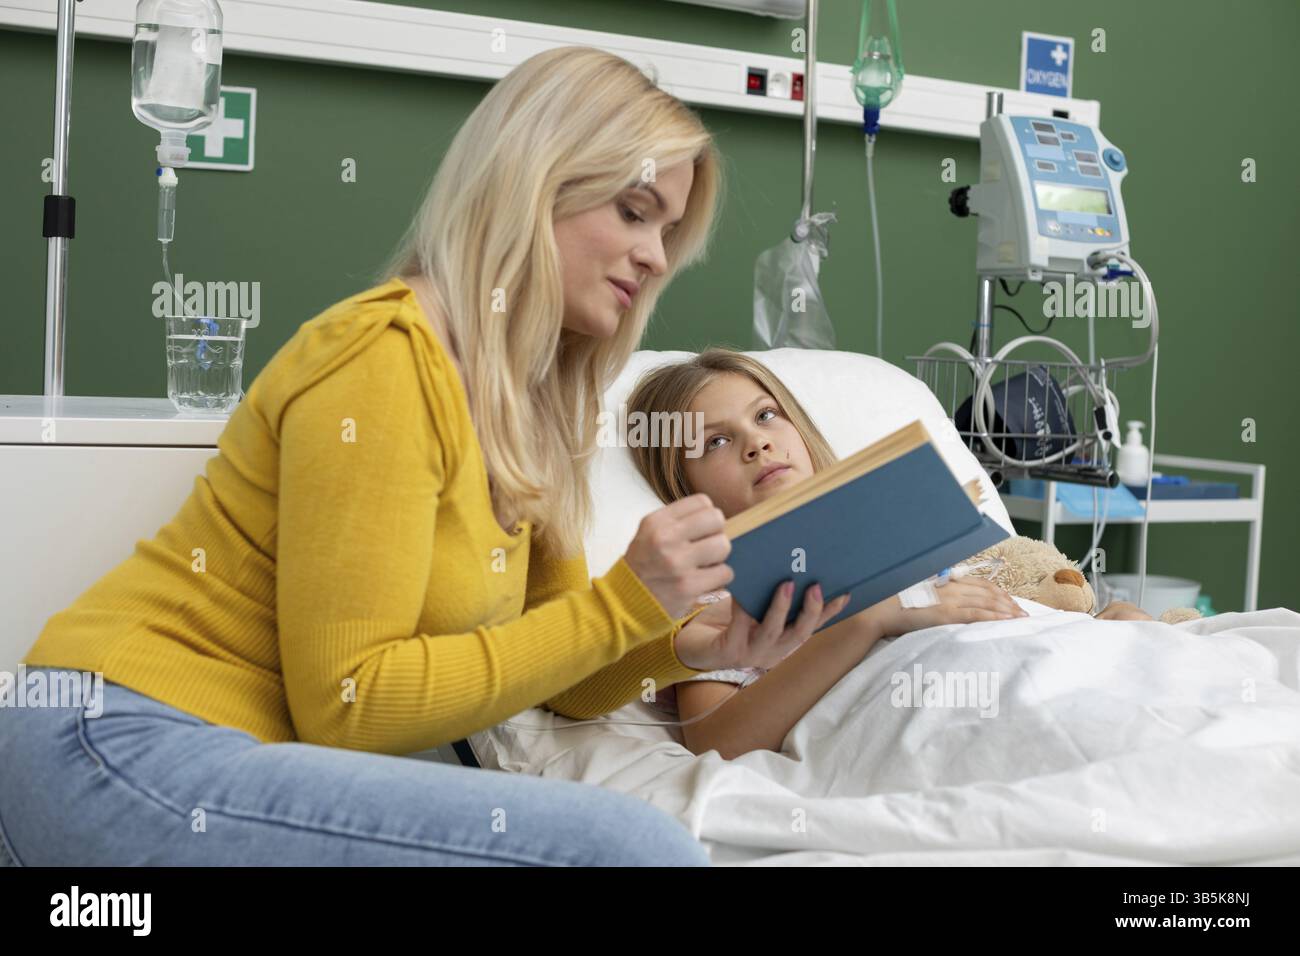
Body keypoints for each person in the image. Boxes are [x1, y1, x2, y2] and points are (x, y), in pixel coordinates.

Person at [0, 47, 838, 868]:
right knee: (632, 849)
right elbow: (349, 708)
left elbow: (566, 680)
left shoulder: (528, 410)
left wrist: (687, 644)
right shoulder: (385, 355)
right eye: (632, 211)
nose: (657, 256)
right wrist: (625, 601)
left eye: (666, 232)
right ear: (534, 184)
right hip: (116, 741)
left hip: (219, 760)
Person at [624, 348, 1150, 760]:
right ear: (681, 483)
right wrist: (868, 619)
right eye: (715, 442)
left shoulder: (919, 536)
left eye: (766, 415)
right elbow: (718, 741)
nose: (756, 443)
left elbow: (1005, 613)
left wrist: (1101, 624)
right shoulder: (721, 601)